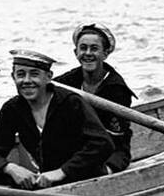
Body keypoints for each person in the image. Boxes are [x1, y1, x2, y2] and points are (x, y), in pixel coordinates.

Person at [0, 48, 115, 188]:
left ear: (48, 77)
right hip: (47, 184)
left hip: (88, 179)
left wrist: (62, 172)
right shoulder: (12, 109)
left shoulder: (71, 103)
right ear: (13, 77)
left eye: (34, 74)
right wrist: (10, 167)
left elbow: (102, 144)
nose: (27, 81)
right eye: (20, 75)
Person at [54, 22, 135, 173]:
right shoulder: (66, 82)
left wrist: (107, 168)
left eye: (94, 48)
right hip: (75, 152)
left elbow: (116, 141)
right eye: (83, 48)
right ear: (75, 53)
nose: (88, 53)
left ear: (105, 54)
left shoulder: (117, 90)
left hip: (109, 154)